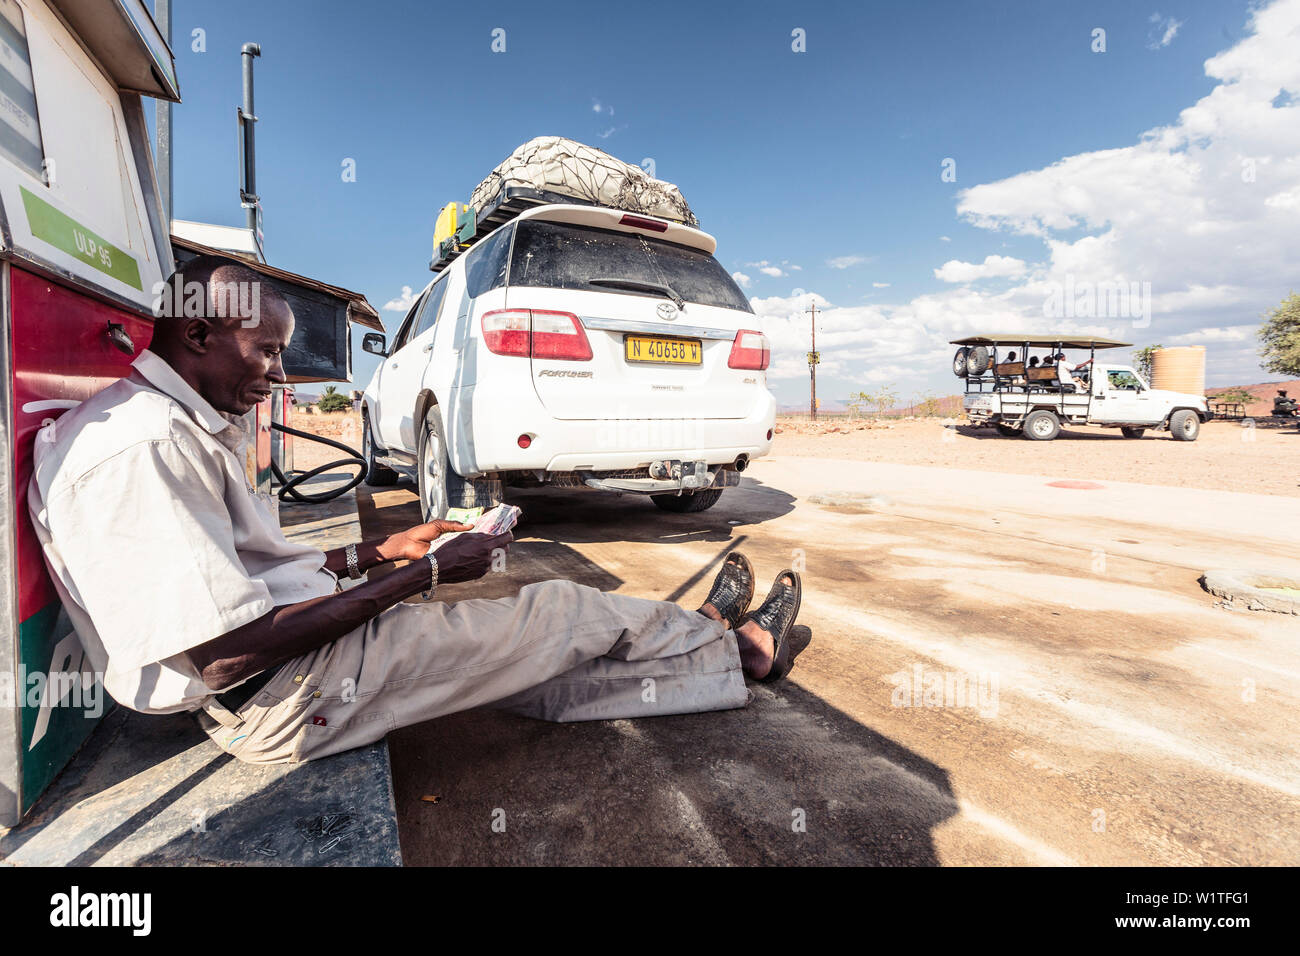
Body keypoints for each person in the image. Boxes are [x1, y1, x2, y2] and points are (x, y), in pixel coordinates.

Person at [28, 257, 805, 764]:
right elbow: (223, 656)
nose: (276, 375)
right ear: (197, 333)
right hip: (282, 695)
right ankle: (728, 645)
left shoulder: (147, 423)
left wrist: (381, 553)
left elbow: (243, 570)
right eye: (265, 352)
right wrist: (426, 575)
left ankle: (713, 650)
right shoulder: (145, 450)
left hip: (284, 676)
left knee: (528, 666)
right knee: (561, 612)